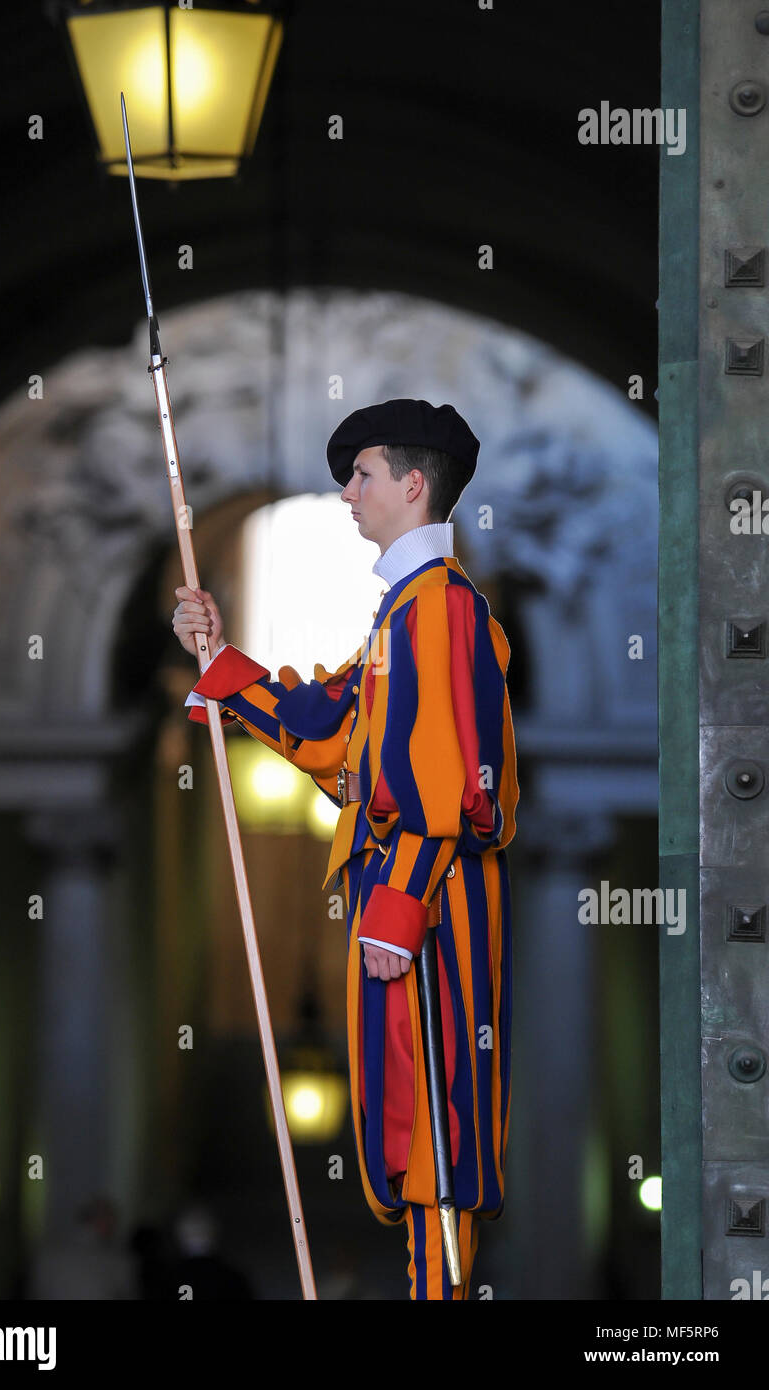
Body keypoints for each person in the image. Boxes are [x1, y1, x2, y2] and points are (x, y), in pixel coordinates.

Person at [172, 399, 519, 1300]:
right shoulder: (400, 617)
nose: (345, 493)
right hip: (404, 912)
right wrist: (219, 658)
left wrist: (399, 909)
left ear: (412, 485)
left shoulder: (440, 612)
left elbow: (441, 790)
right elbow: (330, 729)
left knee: (435, 1136)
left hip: (431, 915)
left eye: (360, 475)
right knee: (408, 1131)